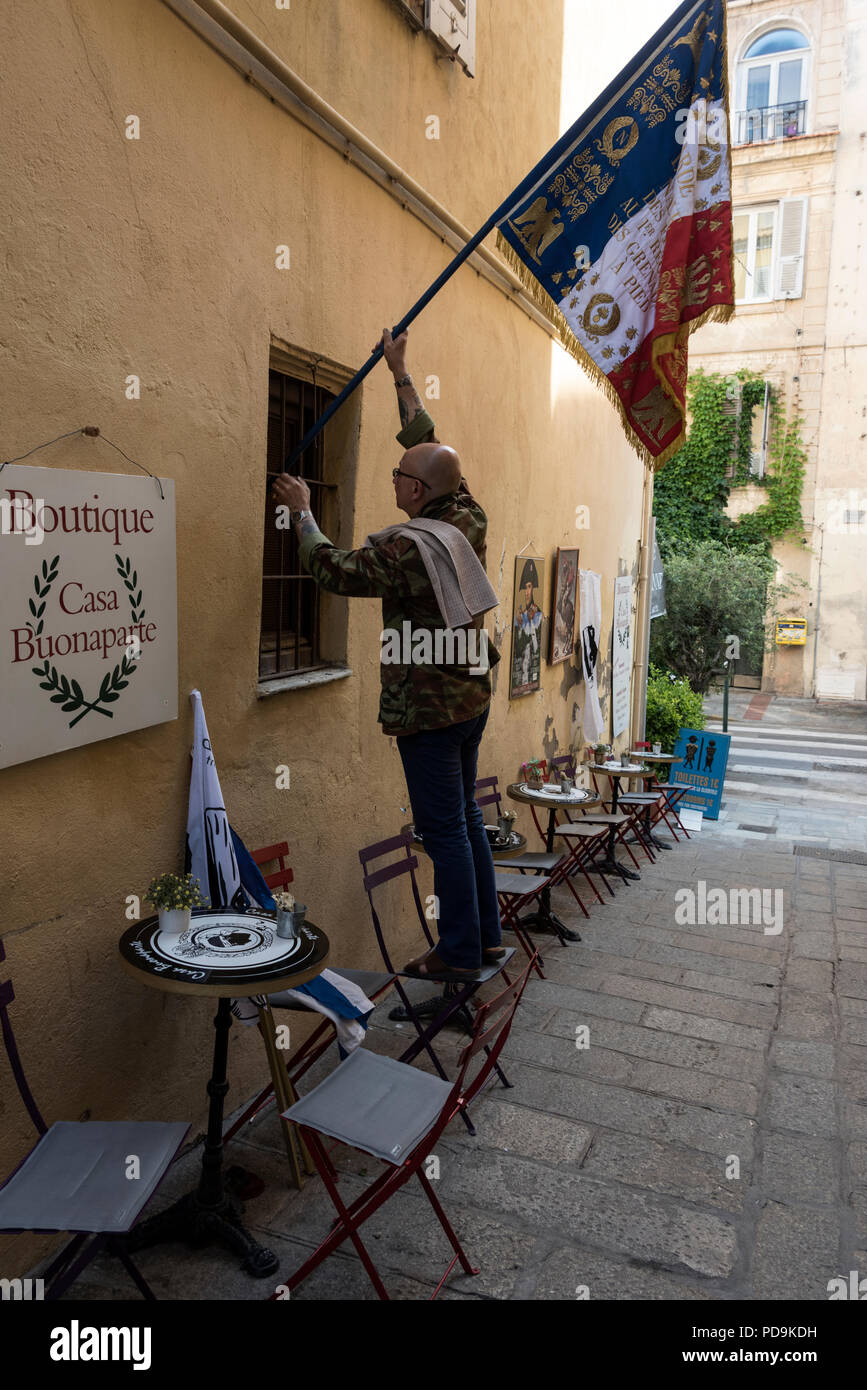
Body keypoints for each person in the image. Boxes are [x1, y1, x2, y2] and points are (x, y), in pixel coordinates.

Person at [271, 329, 503, 981]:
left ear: (415, 495)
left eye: (399, 477)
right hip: (470, 696)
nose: (392, 477)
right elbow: (426, 441)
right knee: (464, 818)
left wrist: (302, 513)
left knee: (445, 831)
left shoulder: (408, 553)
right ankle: (483, 937)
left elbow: (336, 572)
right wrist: (399, 370)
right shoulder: (467, 513)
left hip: (429, 712)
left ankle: (459, 952)